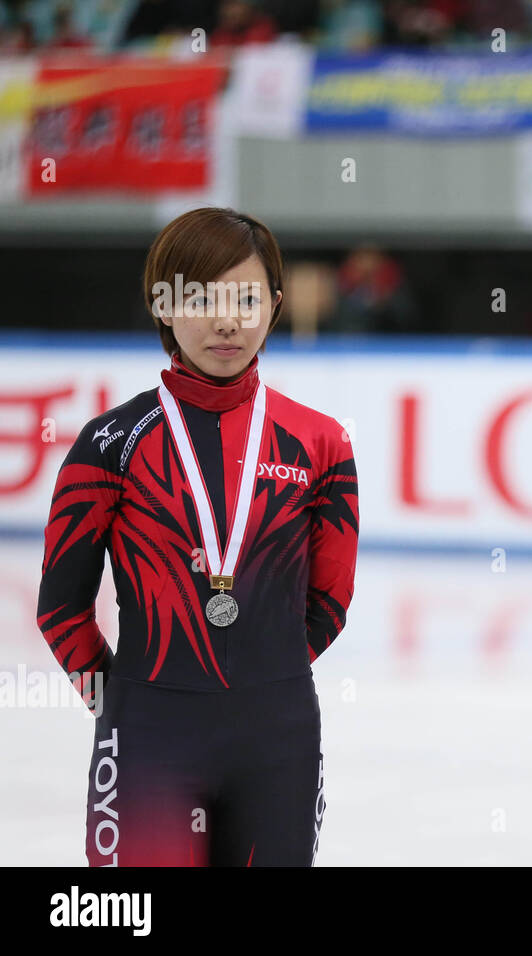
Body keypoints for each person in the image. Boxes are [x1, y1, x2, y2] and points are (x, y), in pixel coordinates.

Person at [37, 207, 359, 866]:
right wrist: (130, 704)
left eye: (245, 298)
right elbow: (60, 608)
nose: (226, 320)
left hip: (279, 735)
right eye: (201, 298)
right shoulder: (109, 445)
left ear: (273, 306)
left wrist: (259, 679)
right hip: (148, 737)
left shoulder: (321, 443)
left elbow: (330, 600)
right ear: (164, 306)